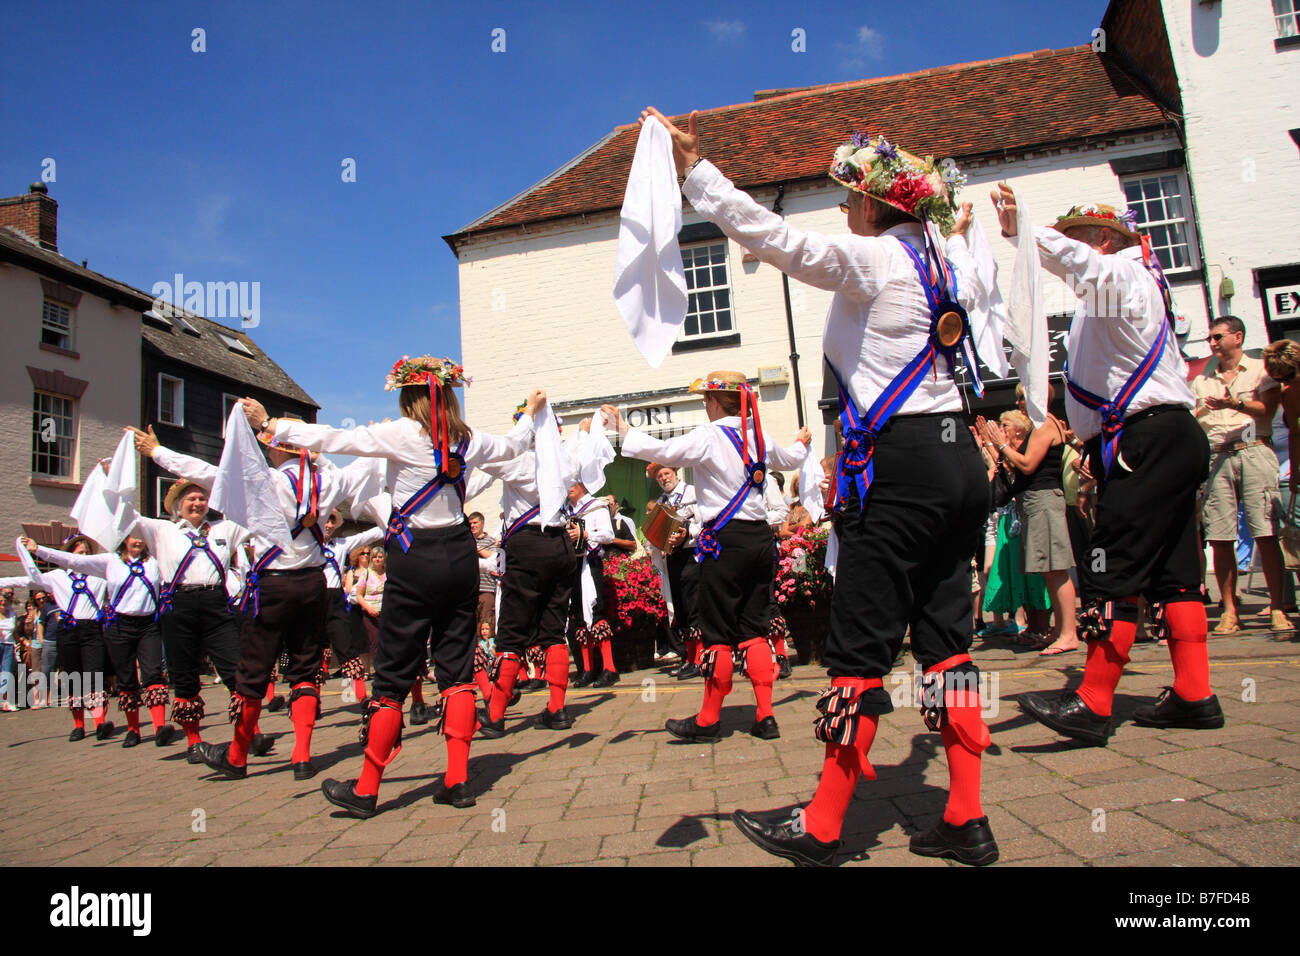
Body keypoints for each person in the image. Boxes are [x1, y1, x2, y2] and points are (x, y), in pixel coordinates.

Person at [640, 107, 996, 867]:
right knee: (945, 644)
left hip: (900, 472)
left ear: (876, 204)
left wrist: (694, 170)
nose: (842, 209)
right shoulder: (954, 263)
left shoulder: (877, 261)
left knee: (860, 649)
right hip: (958, 462)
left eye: (849, 197)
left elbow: (775, 240)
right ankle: (966, 816)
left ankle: (827, 824)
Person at [254, 356, 542, 815]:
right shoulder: (469, 439)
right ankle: (459, 780)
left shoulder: (403, 432)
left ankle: (367, 789)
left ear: (409, 397)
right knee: (456, 665)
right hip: (460, 555)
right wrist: (530, 410)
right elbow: (512, 445)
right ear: (448, 395)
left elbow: (337, 437)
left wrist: (271, 424)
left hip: (415, 557)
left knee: (392, 671)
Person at [991, 186, 1220, 746]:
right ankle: (1195, 693)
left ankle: (1093, 702)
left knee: (1113, 564)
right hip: (1154, 439)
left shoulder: (1125, 277)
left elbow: (1083, 266)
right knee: (1173, 570)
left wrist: (1025, 229)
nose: (1068, 250)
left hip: (1148, 439)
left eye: (1075, 239)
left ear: (1101, 240)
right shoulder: (1117, 294)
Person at [150, 424, 378, 781]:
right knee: (305, 667)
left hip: (273, 587)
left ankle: (238, 755)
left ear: (277, 451)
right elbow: (365, 464)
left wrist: (156, 452)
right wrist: (325, 454)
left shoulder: (264, 481)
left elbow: (207, 473)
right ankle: (302, 755)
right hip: (313, 585)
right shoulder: (327, 483)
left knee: (254, 670)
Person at [603, 368, 810, 744]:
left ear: (715, 402)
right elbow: (792, 458)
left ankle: (709, 719)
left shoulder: (709, 436)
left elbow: (664, 451)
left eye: (705, 401)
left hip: (725, 544)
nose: (704, 407)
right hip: (760, 541)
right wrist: (803, 442)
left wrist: (622, 429)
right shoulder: (758, 436)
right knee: (754, 629)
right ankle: (765, 717)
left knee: (717, 632)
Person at [475, 409, 583, 733]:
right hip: (561, 544)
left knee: (511, 631)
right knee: (553, 629)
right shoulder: (566, 464)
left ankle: (495, 715)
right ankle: (557, 709)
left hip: (528, 546)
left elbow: (491, 452)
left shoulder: (519, 462)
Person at [22, 530, 175, 746]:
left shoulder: (152, 563)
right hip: (102, 627)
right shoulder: (106, 563)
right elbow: (53, 568)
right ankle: (125, 730)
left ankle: (158, 727)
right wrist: (37, 550)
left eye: (141, 535)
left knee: (149, 674)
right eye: (133, 535)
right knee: (114, 677)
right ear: (124, 539)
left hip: (142, 625)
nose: (138, 540)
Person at [1192, 316, 1288, 634]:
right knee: (1220, 537)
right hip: (1217, 454)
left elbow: (1268, 410)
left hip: (1254, 448)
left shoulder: (1261, 370)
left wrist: (1234, 403)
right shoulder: (1203, 379)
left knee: (1265, 531)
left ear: (1238, 336)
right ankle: (1230, 611)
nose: (1212, 343)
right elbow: (1193, 418)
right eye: (1210, 338)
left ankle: (1278, 607)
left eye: (1218, 337)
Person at [978, 390, 1079, 656]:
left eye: (1023, 397)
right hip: (1033, 501)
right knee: (1046, 569)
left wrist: (1001, 445)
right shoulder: (1039, 424)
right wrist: (996, 445)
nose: (1018, 402)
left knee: (1055, 568)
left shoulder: (1045, 422)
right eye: (1018, 397)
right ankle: (1058, 631)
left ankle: (1069, 632)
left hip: (1044, 500)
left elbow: (1027, 464)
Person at [10, 535, 113, 741]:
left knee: (94, 676)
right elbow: (30, 578)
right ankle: (78, 725)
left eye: (86, 553)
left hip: (92, 629)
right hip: (68, 629)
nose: (83, 557)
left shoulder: (99, 576)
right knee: (73, 676)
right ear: (68, 555)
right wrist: (26, 551)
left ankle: (100, 722)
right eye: (79, 553)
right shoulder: (57, 576)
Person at [320, 510, 385, 706]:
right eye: (325, 520)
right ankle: (307, 699)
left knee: (347, 648)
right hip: (309, 597)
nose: (329, 525)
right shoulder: (302, 545)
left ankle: (362, 697)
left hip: (333, 599)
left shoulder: (340, 545)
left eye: (332, 521)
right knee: (310, 650)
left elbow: (373, 533)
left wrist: (394, 516)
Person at [646, 462, 701, 678]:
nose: (663, 478)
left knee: (693, 606)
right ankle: (689, 658)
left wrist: (686, 532)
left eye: (666, 473)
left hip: (692, 555)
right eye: (659, 476)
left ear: (675, 472)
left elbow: (705, 523)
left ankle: (700, 658)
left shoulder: (691, 492)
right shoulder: (661, 502)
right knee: (680, 609)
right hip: (672, 558)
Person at [566, 479, 617, 688]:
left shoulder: (597, 506)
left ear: (582, 485)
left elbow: (609, 535)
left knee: (596, 611)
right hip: (573, 565)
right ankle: (587, 669)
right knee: (578, 615)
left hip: (591, 563)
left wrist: (585, 534)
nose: (567, 487)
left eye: (571, 483)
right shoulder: (566, 511)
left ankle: (610, 668)